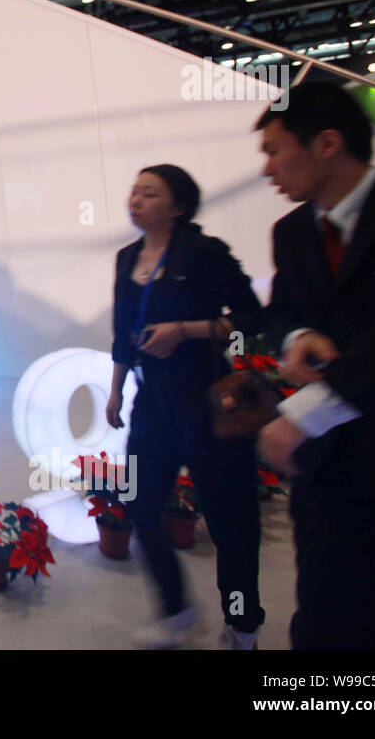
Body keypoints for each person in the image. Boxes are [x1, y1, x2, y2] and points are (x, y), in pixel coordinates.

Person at [254, 81, 375, 649]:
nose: (267, 170)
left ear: (327, 143)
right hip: (338, 479)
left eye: (275, 150)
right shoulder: (290, 233)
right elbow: (279, 312)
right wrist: (300, 333)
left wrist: (305, 413)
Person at [107, 165, 266, 648]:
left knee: (229, 522)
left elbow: (250, 319)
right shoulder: (126, 257)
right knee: (140, 502)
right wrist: (116, 390)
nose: (135, 199)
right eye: (133, 190)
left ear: (178, 206)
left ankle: (243, 623)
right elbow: (122, 332)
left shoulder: (204, 253)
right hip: (152, 401)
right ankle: (177, 610)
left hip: (207, 402)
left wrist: (186, 330)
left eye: (149, 193)